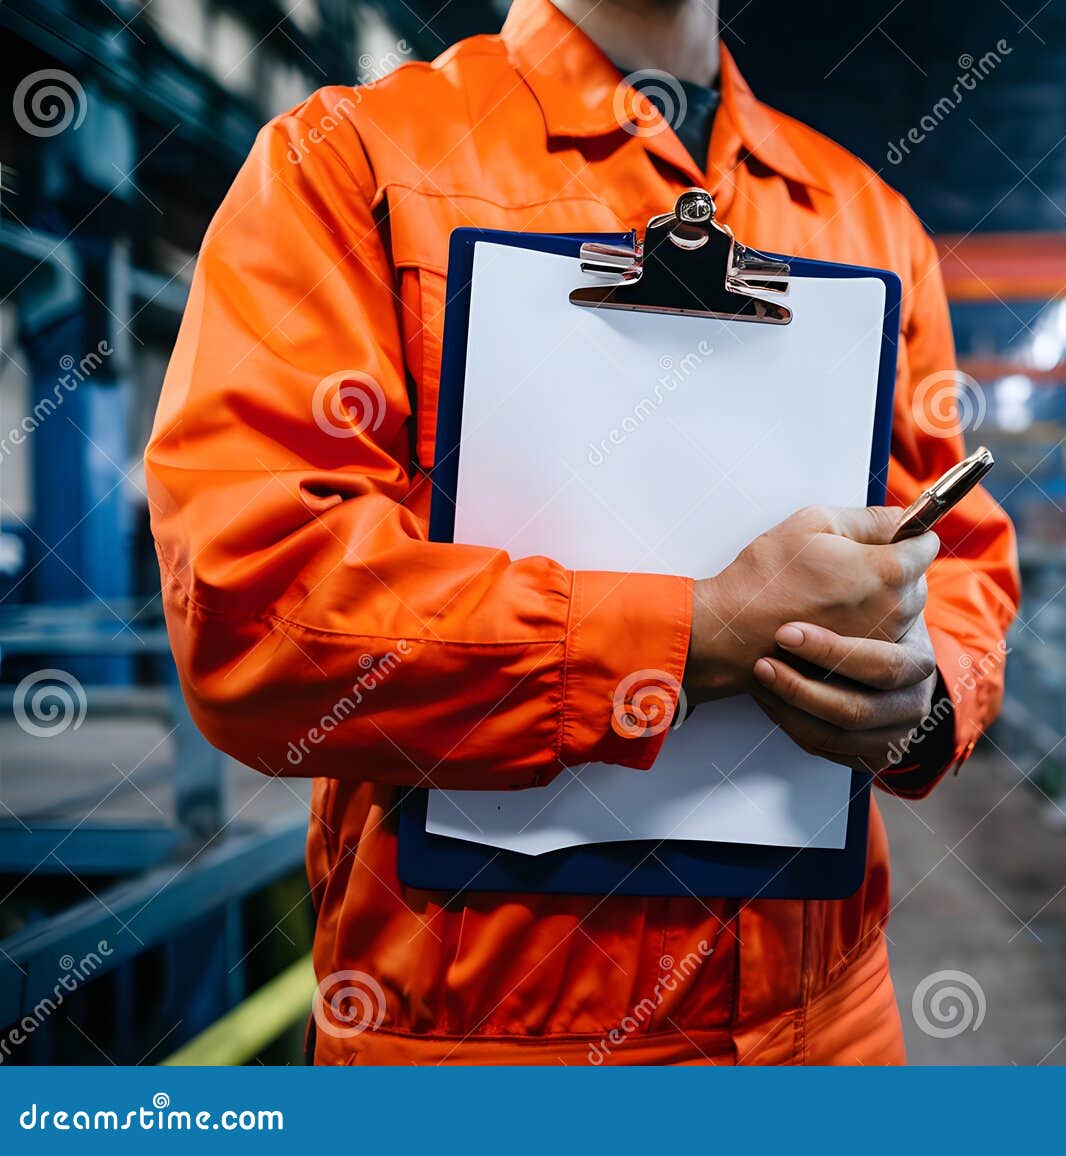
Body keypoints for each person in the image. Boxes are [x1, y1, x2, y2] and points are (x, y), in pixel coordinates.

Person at [145, 0, 1018, 1065]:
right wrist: (694, 632)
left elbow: (964, 548)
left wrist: (923, 697)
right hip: (483, 1056)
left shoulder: (865, 219)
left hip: (824, 1033)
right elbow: (254, 606)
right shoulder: (352, 165)